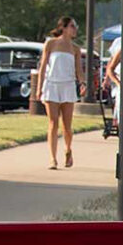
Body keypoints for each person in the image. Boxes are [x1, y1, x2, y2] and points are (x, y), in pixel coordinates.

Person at [37, 16, 83, 169]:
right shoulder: (51, 44)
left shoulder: (75, 49)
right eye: (72, 26)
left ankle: (68, 149)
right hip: (52, 85)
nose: (74, 29)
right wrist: (39, 88)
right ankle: (52, 158)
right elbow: (43, 67)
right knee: (53, 122)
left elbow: (78, 70)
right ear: (63, 27)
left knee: (67, 126)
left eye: (75, 26)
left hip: (68, 86)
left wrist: (82, 83)